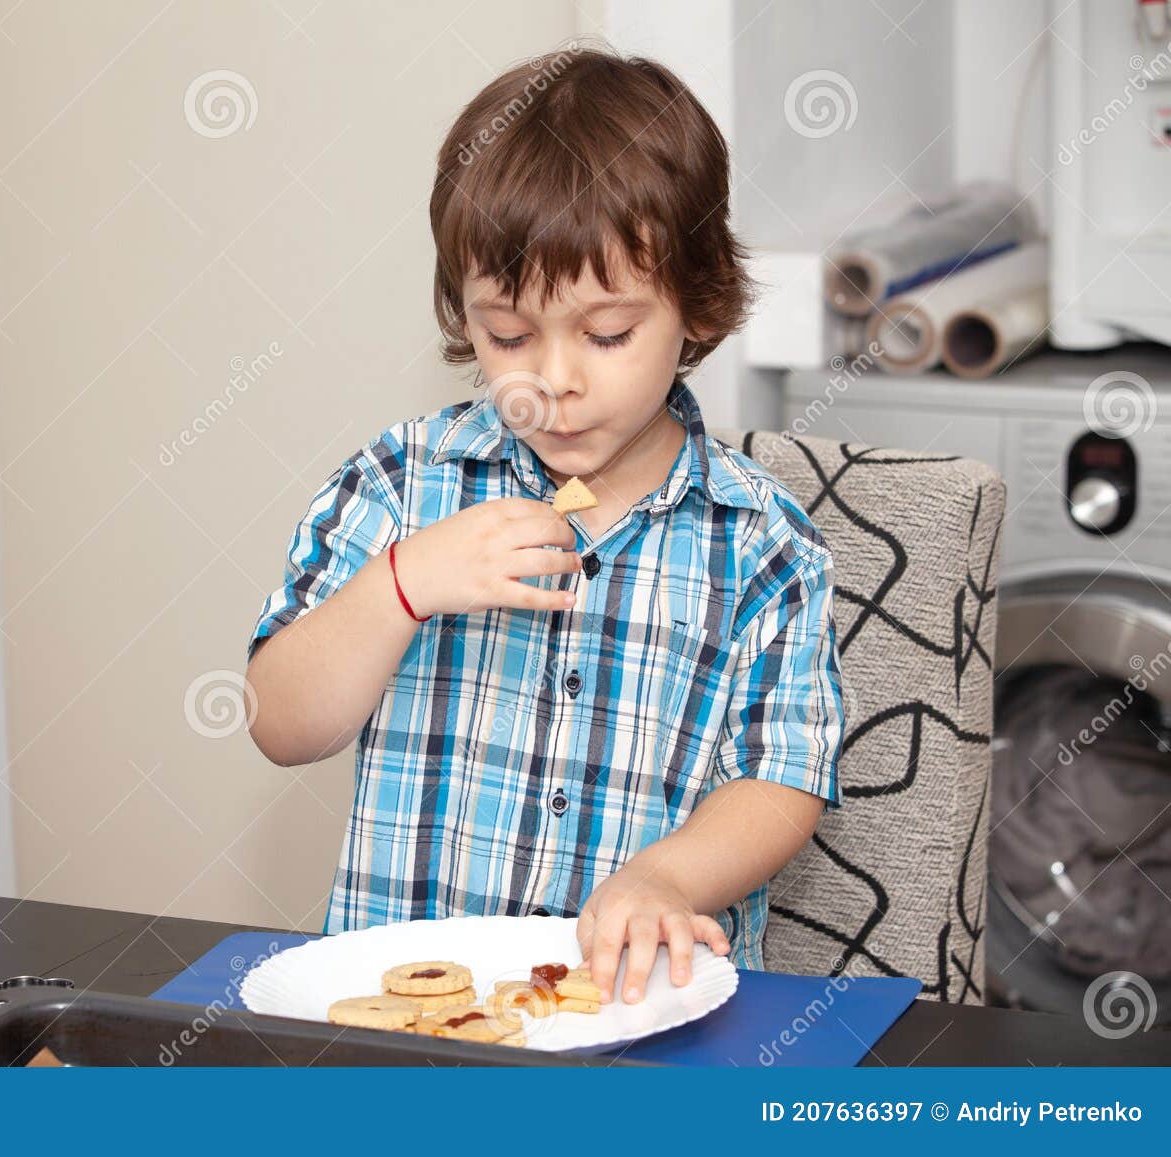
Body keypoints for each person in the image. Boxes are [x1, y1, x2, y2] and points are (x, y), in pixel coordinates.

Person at [244, 45, 843, 1005]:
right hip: (410, 1020)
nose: (553, 379)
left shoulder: (762, 543)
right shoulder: (402, 484)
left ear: (697, 303)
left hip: (639, 1013)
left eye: (607, 334)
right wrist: (400, 586)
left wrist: (668, 877)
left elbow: (783, 777)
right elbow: (281, 724)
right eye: (509, 335)